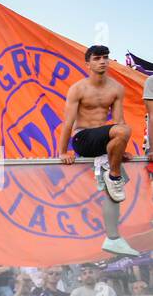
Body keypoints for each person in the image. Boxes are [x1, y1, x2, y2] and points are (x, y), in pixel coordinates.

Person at [57, 45, 139, 257]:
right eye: (98, 58)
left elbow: (119, 122)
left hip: (105, 140)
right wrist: (63, 151)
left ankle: (113, 238)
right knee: (121, 136)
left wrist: (121, 149)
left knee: (113, 190)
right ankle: (114, 175)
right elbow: (68, 123)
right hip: (83, 139)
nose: (103, 61)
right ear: (88, 63)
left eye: (106, 57)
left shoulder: (116, 88)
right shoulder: (78, 88)